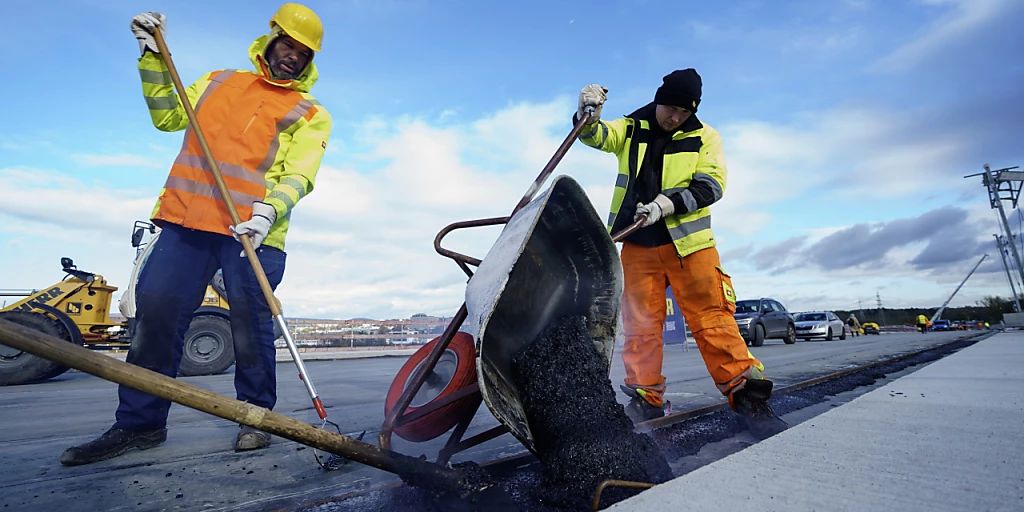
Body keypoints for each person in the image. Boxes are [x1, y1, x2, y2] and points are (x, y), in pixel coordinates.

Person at [60, 3, 331, 466]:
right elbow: (167, 116)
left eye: (303, 53)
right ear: (269, 40)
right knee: (156, 316)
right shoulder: (218, 81)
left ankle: (255, 418)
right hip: (186, 221)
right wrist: (152, 57)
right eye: (287, 45)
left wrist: (269, 211)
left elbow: (299, 174)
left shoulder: (310, 113)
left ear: (310, 61)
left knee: (250, 325)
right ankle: (140, 425)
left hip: (252, 233)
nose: (293, 57)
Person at [575, 70, 786, 437]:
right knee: (640, 326)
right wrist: (586, 115)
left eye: (683, 113)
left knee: (712, 318)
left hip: (691, 246)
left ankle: (746, 395)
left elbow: (712, 185)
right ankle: (646, 397)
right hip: (638, 244)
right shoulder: (632, 127)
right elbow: (598, 137)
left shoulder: (705, 137)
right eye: (670, 109)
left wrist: (667, 204)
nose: (674, 118)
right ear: (659, 99)